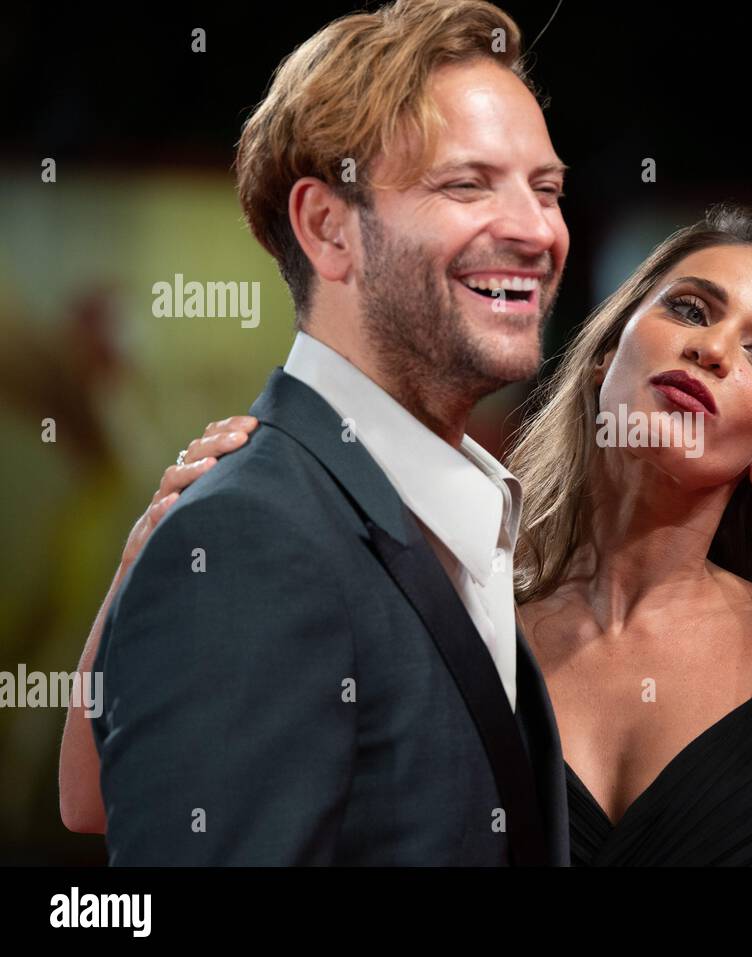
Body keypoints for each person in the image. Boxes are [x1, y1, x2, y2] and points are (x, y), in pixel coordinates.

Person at [62, 201, 752, 864]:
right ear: (606, 358)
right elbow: (100, 795)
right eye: (689, 309)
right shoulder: (455, 617)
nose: (713, 349)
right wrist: (146, 555)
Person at [60, 0, 574, 864]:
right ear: (329, 229)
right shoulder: (252, 537)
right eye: (467, 184)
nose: (536, 229)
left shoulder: (435, 512)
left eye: (547, 188)